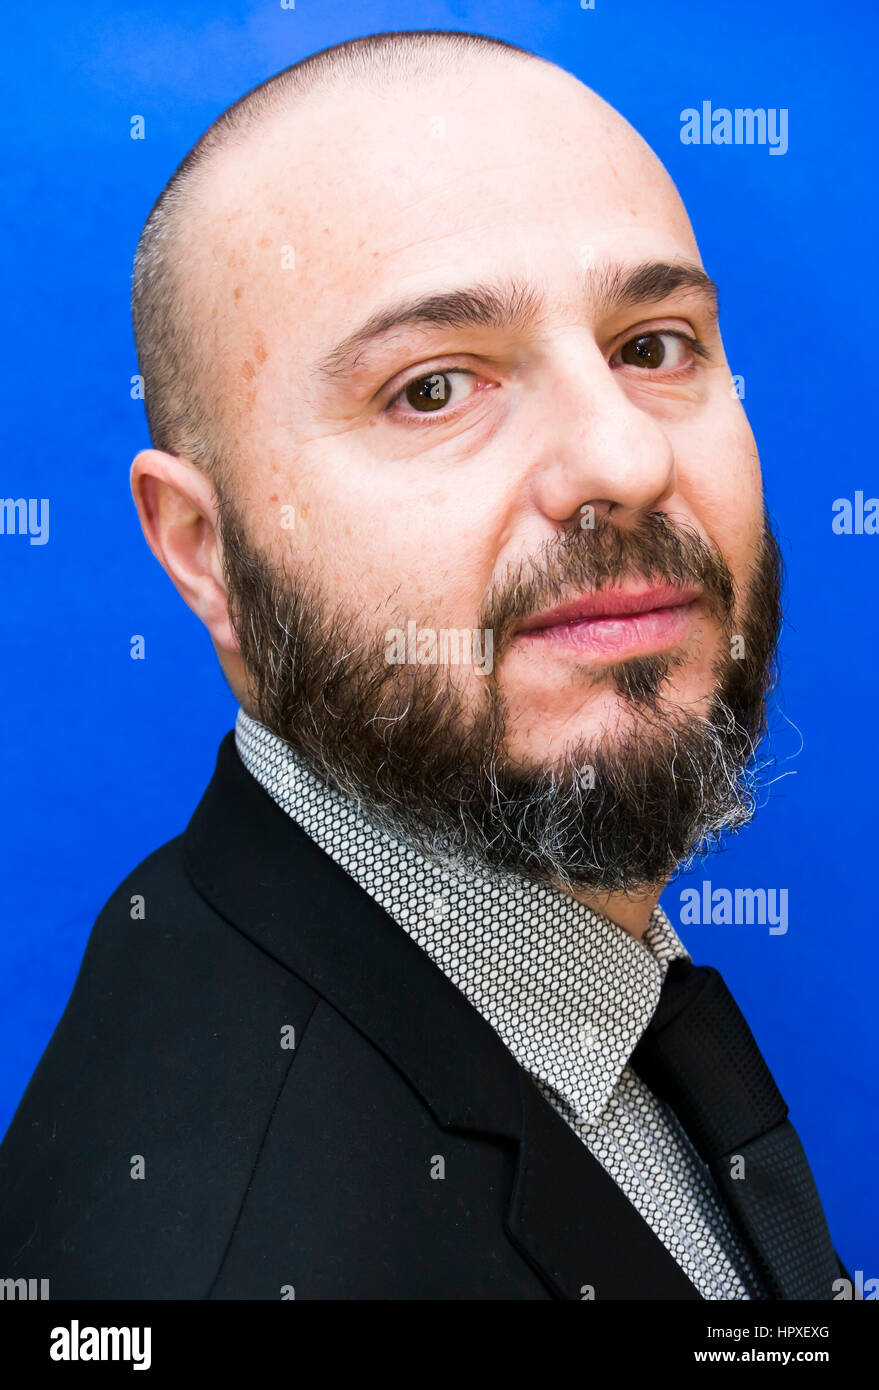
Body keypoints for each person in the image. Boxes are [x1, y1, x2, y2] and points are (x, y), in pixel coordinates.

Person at [0, 29, 847, 1299]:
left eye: (654, 345)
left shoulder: (570, 985)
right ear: (205, 550)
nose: (622, 462)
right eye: (434, 387)